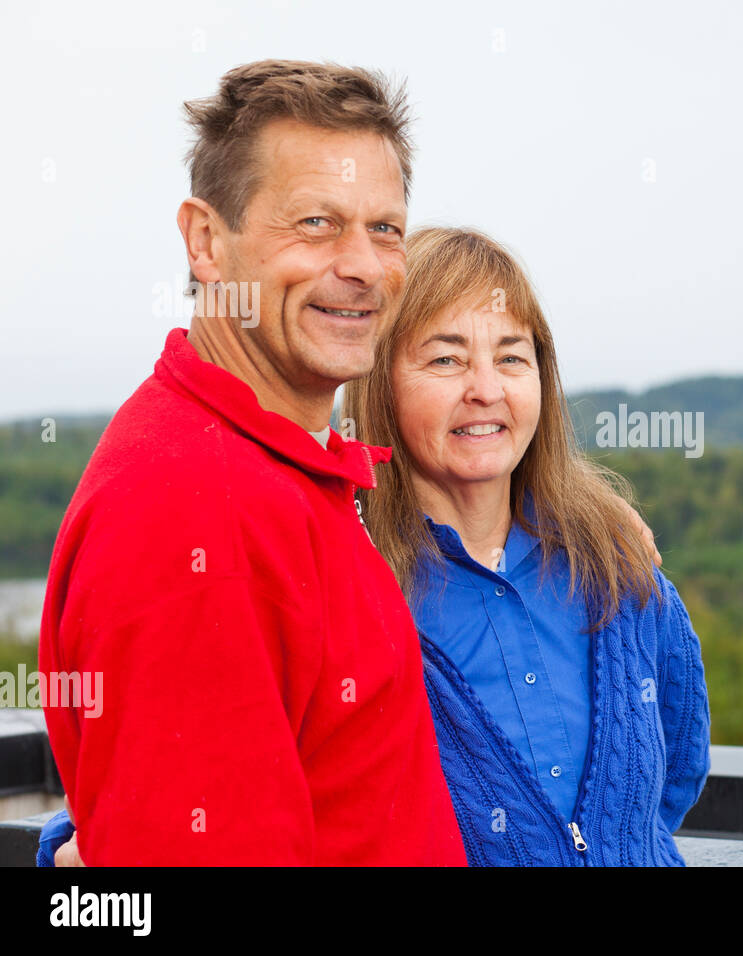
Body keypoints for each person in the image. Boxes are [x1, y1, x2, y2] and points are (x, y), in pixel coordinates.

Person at [35, 60, 471, 865]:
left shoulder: (276, 467)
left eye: (385, 228)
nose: (365, 266)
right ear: (207, 241)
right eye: (315, 224)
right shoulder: (196, 509)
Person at [340, 227, 711, 865]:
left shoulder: (616, 568)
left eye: (511, 357)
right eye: (446, 358)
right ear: (381, 385)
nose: (486, 389)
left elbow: (676, 772)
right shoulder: (355, 591)